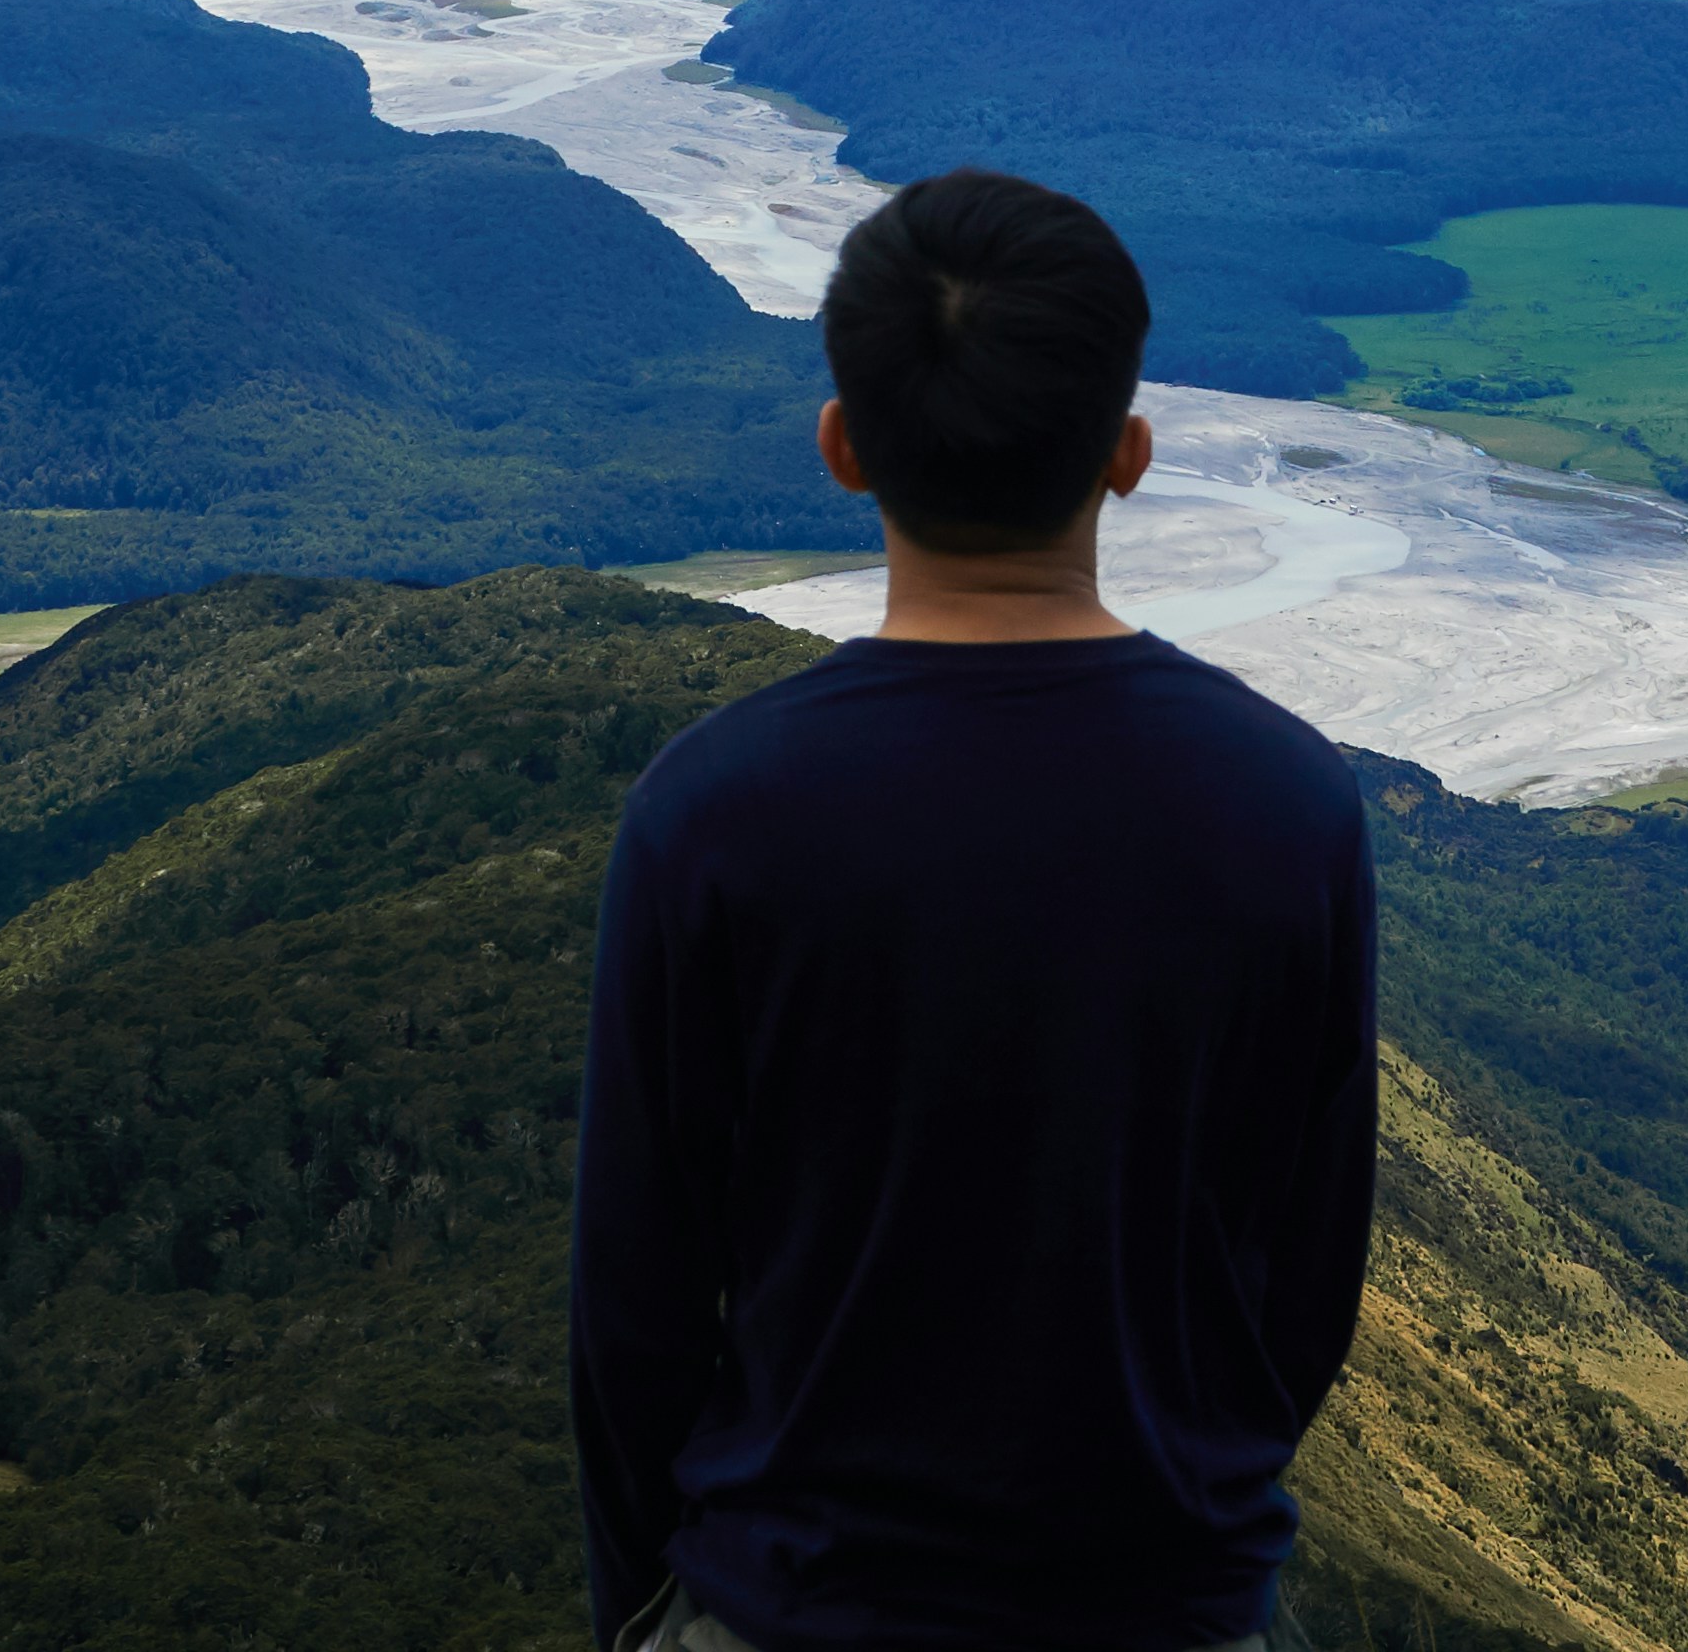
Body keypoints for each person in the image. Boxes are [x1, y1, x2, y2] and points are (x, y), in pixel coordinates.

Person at [572, 169, 1378, 1652]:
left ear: (842, 449)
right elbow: (1306, 1285)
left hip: (795, 1610)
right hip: (1168, 1614)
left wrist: (653, 1605)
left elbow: (636, 1306)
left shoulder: (711, 814)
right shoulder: (1287, 805)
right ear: (1129, 454)